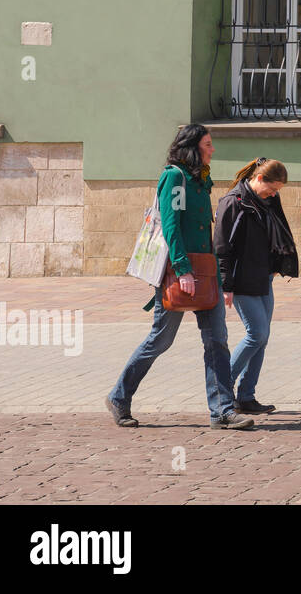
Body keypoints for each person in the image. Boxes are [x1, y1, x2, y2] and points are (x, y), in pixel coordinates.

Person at [106, 125, 255, 430]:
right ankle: (119, 397)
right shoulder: (174, 177)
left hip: (207, 270)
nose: (212, 150)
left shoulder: (201, 179)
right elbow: (171, 226)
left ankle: (223, 410)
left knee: (217, 342)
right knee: (160, 340)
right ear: (192, 147)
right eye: (208, 144)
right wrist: (182, 268)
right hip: (181, 271)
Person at [215, 157, 298, 415]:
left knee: (263, 338)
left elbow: (279, 231)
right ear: (259, 178)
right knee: (257, 334)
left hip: (264, 277)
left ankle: (246, 396)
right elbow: (222, 248)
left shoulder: (268, 201)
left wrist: (280, 263)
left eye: (277, 191)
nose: (274, 195)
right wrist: (226, 285)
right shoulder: (233, 202)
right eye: (272, 189)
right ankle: (221, 387)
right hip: (241, 280)